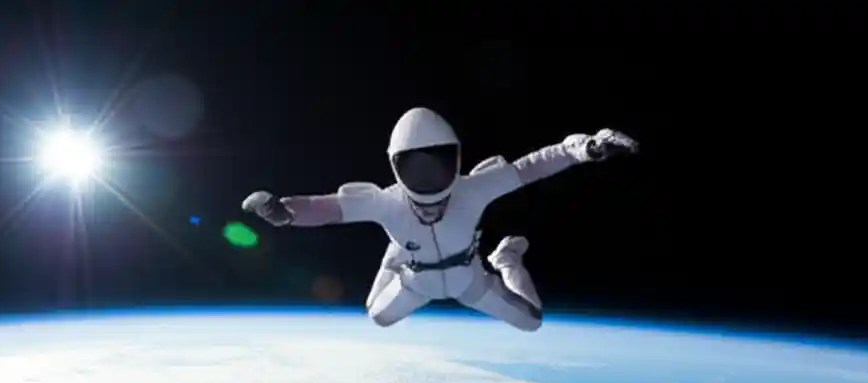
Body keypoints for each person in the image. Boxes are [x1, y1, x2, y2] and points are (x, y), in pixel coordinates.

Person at [241, 107, 638, 331]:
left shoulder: (473, 188)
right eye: (416, 169)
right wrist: (282, 211)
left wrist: (586, 148)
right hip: (418, 280)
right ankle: (393, 254)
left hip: (470, 280)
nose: (429, 181)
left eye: (438, 164)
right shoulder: (386, 203)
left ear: (456, 160)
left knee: (531, 322)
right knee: (377, 316)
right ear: (397, 169)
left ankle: (505, 261)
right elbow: (328, 208)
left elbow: (533, 165)